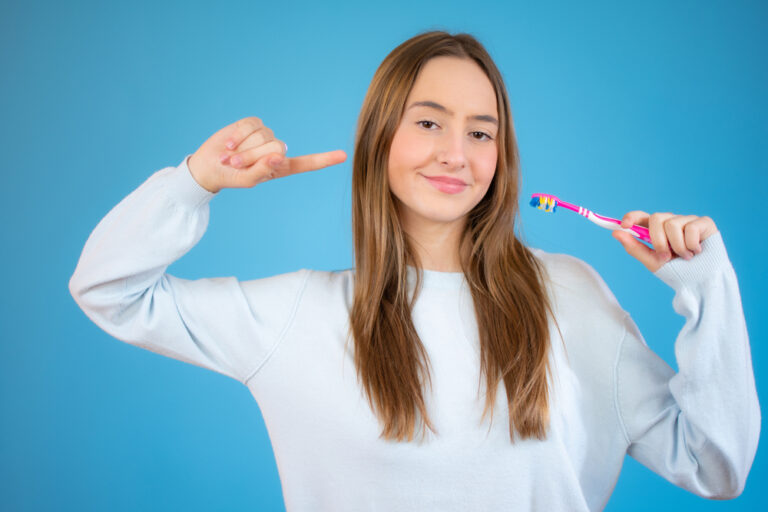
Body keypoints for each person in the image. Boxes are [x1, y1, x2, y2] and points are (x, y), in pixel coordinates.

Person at [69, 30, 759, 511]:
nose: (456, 154)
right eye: (429, 123)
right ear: (380, 138)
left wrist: (707, 287)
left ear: (501, 156)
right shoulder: (296, 318)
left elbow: (714, 464)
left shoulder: (569, 295)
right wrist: (195, 181)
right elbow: (107, 290)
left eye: (481, 131)